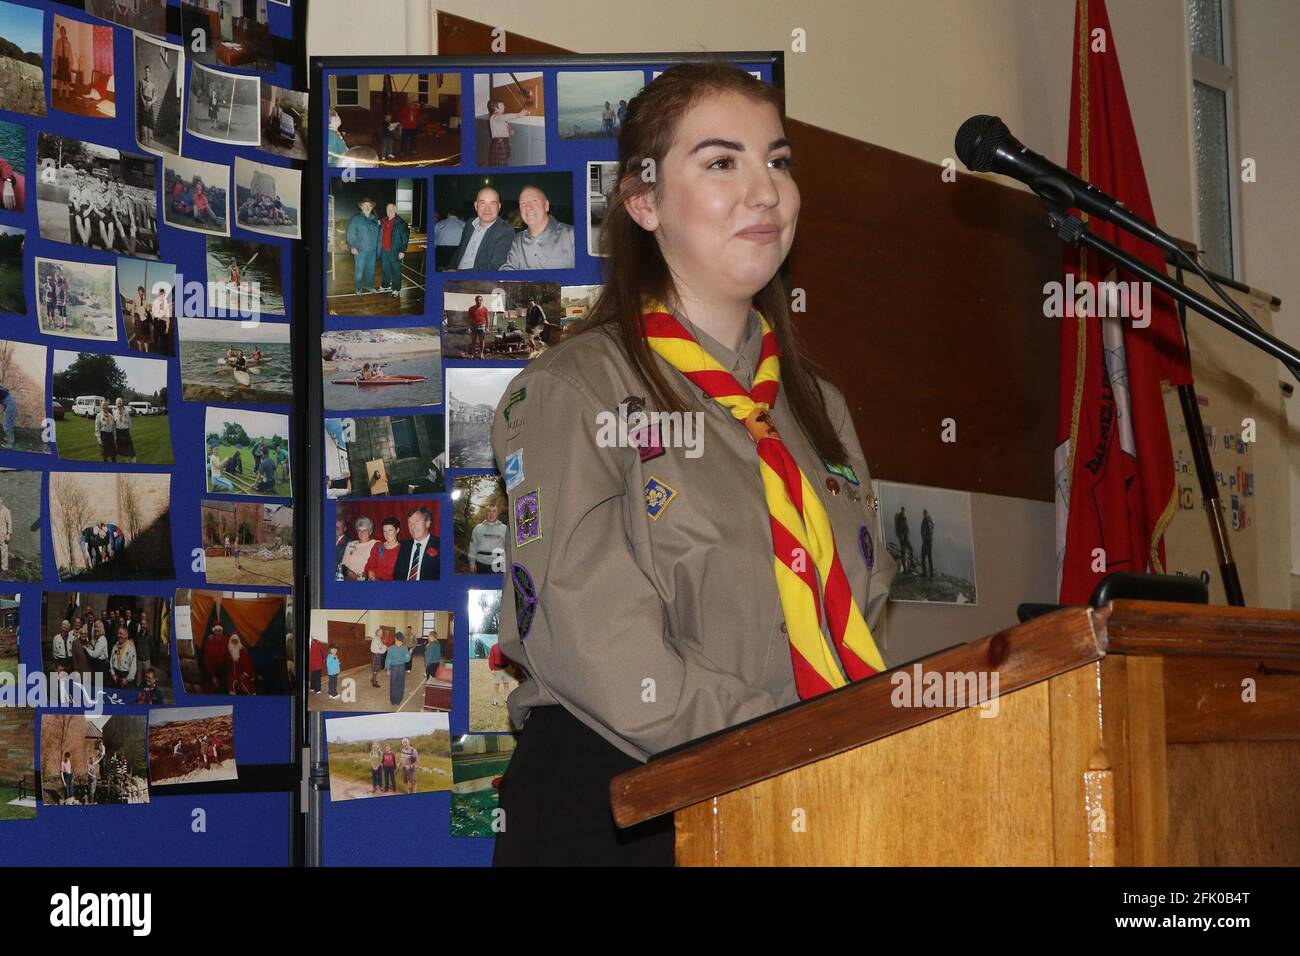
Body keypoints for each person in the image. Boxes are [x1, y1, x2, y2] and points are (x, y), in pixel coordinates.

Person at [487, 63, 896, 866]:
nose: (766, 191)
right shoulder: (574, 389)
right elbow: (596, 639)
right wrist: (803, 739)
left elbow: (856, 608)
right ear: (643, 203)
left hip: (796, 805)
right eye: (721, 162)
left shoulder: (821, 411)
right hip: (622, 814)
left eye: (778, 161)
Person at [499, 186, 576, 271]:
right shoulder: (518, 240)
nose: (528, 207)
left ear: (546, 206)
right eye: (523, 203)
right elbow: (509, 268)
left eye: (534, 201)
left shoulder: (572, 235)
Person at [448, 188, 515, 271]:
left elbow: (495, 267)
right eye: (482, 203)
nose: (487, 209)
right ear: (476, 206)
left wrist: (457, 274)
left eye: (493, 203)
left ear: (499, 207)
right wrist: (449, 269)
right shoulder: (469, 224)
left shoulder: (505, 231)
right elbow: (459, 251)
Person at [346, 198, 380, 295]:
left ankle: (369, 286)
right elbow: (350, 233)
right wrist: (352, 246)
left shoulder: (374, 219)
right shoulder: (356, 219)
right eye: (365, 205)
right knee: (359, 271)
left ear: (371, 207)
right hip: (360, 251)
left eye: (369, 205)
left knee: (371, 271)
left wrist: (378, 248)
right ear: (361, 207)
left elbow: (378, 235)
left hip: (372, 251)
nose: (367, 207)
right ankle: (358, 288)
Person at [394, 507, 437, 581]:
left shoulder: (440, 546)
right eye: (409, 523)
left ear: (427, 523)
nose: (412, 527)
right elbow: (397, 574)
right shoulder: (404, 546)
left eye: (417, 522)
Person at [377, 201, 410, 298]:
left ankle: (396, 289)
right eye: (388, 209)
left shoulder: (401, 223)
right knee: (385, 269)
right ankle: (385, 285)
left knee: (396, 271)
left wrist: (403, 251)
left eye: (391, 209)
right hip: (384, 250)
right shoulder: (383, 221)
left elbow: (405, 238)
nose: (389, 211)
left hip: (395, 250)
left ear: (395, 210)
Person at [486, 100, 530, 166]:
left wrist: (509, 130)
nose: (504, 106)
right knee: (500, 165)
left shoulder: (499, 117)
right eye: (502, 105)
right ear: (496, 108)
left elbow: (503, 124)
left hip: (503, 142)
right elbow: (507, 116)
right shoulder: (496, 117)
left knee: (503, 163)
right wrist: (520, 114)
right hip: (500, 143)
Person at [468, 501, 508, 572]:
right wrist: (472, 563)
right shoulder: (478, 528)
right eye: (489, 511)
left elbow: (508, 547)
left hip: (499, 565)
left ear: (497, 513)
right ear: (486, 513)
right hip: (481, 564)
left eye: (494, 511)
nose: (491, 514)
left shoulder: (504, 528)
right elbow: (473, 546)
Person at [363, 516, 403, 580]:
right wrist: (371, 574)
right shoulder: (378, 546)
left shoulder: (402, 549)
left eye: (390, 530)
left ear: (397, 530)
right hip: (374, 582)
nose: (387, 534)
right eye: (384, 531)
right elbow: (369, 566)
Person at [340, 515, 378, 580]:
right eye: (359, 530)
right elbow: (343, 565)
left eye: (365, 530)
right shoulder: (351, 544)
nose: (362, 533)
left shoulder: (375, 544)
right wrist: (349, 572)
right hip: (348, 579)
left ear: (370, 532)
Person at [385, 634, 410, 706]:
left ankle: (393, 701)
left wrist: (388, 669)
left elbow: (388, 660)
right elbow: (407, 659)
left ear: (395, 639)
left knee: (393, 684)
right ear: (402, 639)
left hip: (393, 668)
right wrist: (409, 654)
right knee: (401, 684)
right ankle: (399, 700)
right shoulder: (405, 648)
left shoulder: (391, 648)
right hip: (402, 667)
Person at [487, 639, 511, 708]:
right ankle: (495, 701)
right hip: (497, 670)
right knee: (496, 686)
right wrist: (492, 669)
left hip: (506, 669)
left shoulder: (506, 647)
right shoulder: (494, 647)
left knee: (506, 684)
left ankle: (506, 699)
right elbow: (491, 659)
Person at [137, 64, 157, 146]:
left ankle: (149, 143)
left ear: (150, 73)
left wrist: (150, 102)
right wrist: (144, 102)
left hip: (150, 103)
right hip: (144, 104)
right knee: (144, 124)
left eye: (148, 72)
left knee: (150, 124)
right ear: (144, 72)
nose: (147, 73)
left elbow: (155, 96)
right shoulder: (142, 81)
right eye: (146, 72)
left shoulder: (153, 84)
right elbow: (140, 93)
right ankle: (144, 142)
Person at [113, 399, 136, 463]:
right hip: (118, 432)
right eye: (118, 403)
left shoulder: (126, 412)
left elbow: (130, 423)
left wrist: (127, 430)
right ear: (116, 404)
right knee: (121, 449)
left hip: (125, 432)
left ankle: (132, 460)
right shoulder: (114, 412)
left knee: (130, 448)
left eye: (120, 403)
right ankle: (124, 460)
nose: (119, 405)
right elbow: (113, 423)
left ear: (122, 404)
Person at [467, 294, 490, 359]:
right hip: (473, 326)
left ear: (482, 301)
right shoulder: (471, 308)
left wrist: (487, 327)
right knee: (473, 341)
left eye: (480, 300)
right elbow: (468, 318)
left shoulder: (485, 309)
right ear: (475, 300)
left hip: (482, 326)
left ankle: (481, 354)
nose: (479, 301)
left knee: (481, 341)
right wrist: (468, 327)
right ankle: (473, 354)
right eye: (477, 300)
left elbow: (487, 318)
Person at [895, 506, 914, 573]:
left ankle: (909, 567)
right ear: (902, 510)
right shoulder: (901, 518)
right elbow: (901, 528)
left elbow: (906, 527)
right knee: (904, 552)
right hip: (903, 538)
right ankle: (906, 569)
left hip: (904, 537)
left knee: (909, 550)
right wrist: (904, 534)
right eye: (903, 510)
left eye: (904, 510)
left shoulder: (903, 518)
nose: (903, 511)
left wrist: (907, 532)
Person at [920, 508, 936, 579]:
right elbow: (932, 528)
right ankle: (931, 574)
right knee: (929, 557)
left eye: (924, 513)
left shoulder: (926, 520)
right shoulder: (930, 520)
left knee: (923, 557)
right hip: (929, 541)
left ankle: (925, 572)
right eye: (924, 513)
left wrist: (924, 537)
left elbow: (924, 531)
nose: (924, 515)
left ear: (925, 513)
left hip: (926, 541)